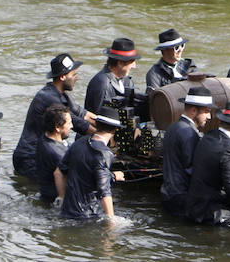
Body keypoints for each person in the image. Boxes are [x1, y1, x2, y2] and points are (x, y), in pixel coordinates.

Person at [16, 52, 91, 182]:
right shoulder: (49, 98)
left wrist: (106, 124)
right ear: (62, 77)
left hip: (44, 152)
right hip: (30, 159)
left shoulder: (62, 94)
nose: (77, 78)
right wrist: (104, 136)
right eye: (73, 74)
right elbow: (77, 123)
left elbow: (83, 114)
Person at [160, 85, 214, 215]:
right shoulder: (189, 133)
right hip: (182, 198)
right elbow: (192, 169)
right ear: (193, 110)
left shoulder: (173, 127)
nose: (209, 117)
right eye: (206, 111)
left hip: (168, 194)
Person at [60, 111, 123, 222]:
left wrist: (62, 200)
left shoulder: (80, 142)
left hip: (68, 210)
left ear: (97, 124)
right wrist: (112, 221)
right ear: (115, 130)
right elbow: (104, 191)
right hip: (87, 216)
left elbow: (59, 172)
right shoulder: (104, 153)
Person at [85, 37, 139, 116]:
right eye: (132, 62)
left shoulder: (127, 81)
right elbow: (98, 117)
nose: (134, 66)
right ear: (120, 63)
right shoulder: (102, 84)